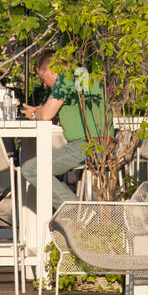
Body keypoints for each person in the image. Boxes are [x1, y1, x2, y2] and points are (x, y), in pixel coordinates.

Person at [20, 51, 108, 210]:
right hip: (102, 145)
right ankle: (76, 212)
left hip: (88, 146)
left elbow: (46, 115)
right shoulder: (83, 75)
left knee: (32, 169)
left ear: (52, 70)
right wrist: (42, 111)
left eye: (42, 78)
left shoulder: (66, 79)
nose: (45, 85)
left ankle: (76, 213)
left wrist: (34, 113)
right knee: (38, 167)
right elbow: (75, 113)